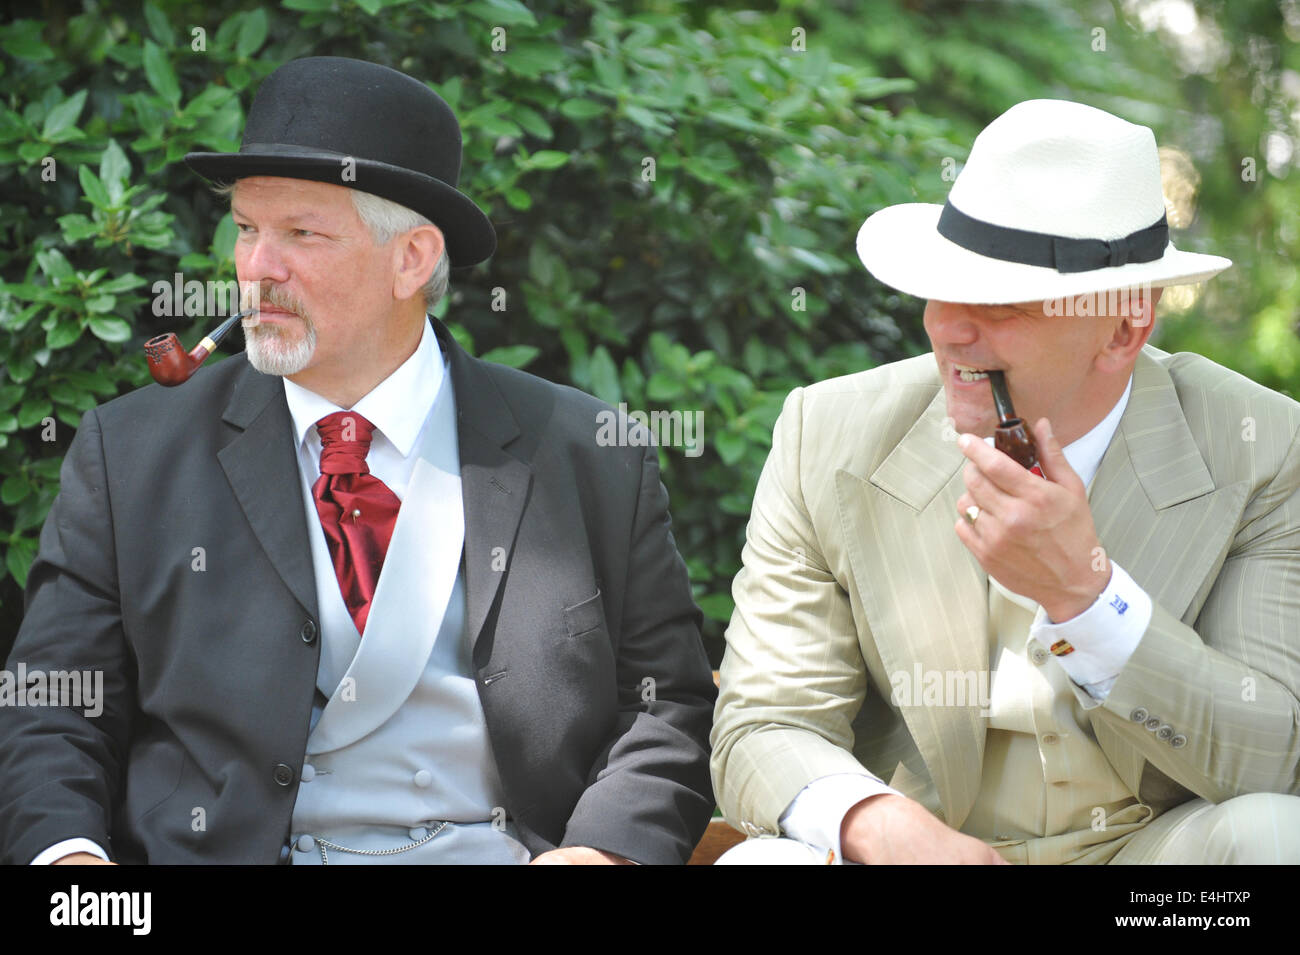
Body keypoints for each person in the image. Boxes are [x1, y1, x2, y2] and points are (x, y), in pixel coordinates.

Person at [0, 56, 715, 865]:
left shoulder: (586, 450)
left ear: (411, 258)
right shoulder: (130, 452)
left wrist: (602, 853)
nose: (255, 268)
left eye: (300, 233)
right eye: (245, 228)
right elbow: (52, 707)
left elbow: (667, 705)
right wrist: (70, 866)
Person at [710, 99, 1300, 864]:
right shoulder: (825, 434)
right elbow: (764, 723)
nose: (948, 327)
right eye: (941, 287)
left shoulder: (1262, 447)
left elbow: (1275, 754)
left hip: (1151, 884)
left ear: (1124, 326)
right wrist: (881, 826)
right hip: (916, 852)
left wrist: (1088, 601)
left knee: (1274, 841)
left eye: (1000, 303)